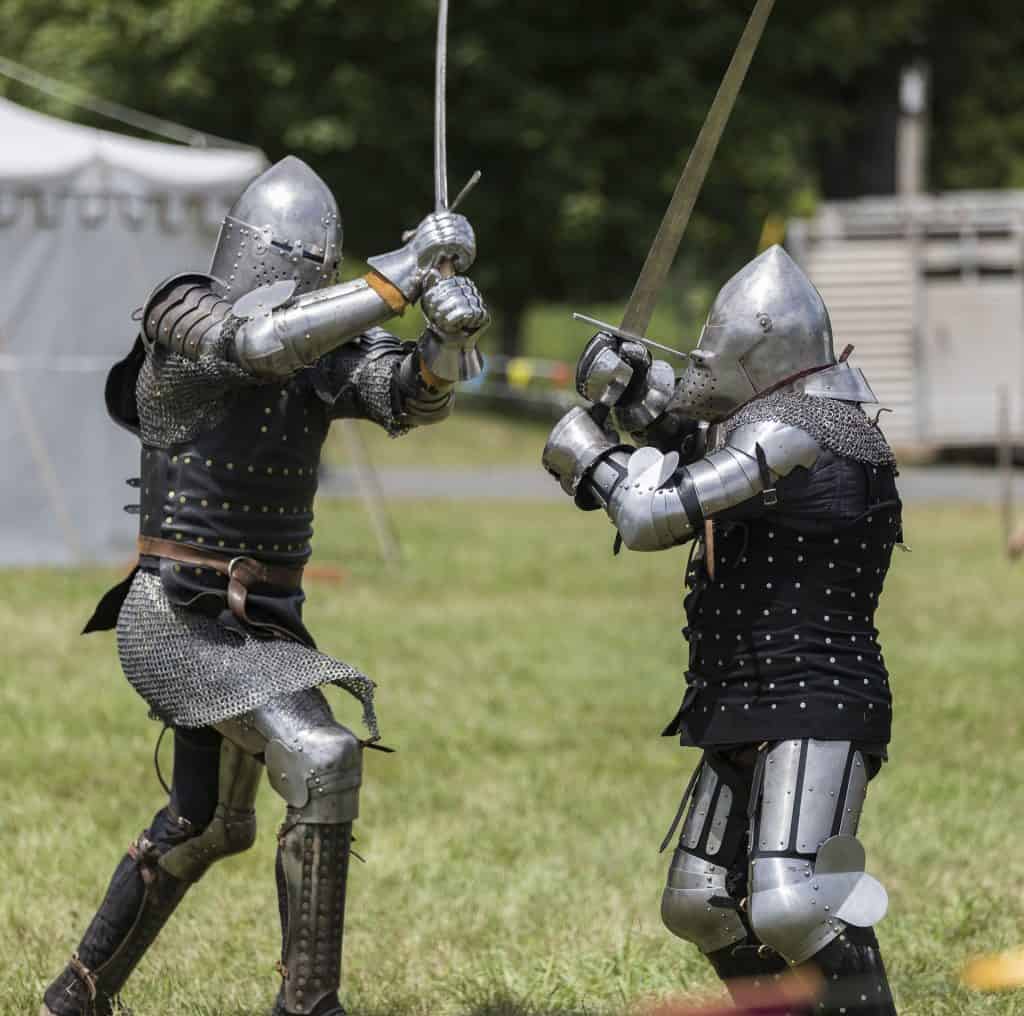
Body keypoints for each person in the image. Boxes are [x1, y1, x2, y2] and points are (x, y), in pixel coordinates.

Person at [42, 155, 489, 1016]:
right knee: (324, 757)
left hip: (266, 625)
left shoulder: (319, 353)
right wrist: (401, 273)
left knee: (208, 825)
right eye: (299, 266)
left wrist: (445, 336)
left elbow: (407, 396)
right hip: (179, 615)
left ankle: (74, 999)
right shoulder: (183, 310)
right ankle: (309, 1008)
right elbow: (253, 346)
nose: (306, 282)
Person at [543, 246, 900, 1015]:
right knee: (698, 902)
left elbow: (652, 514)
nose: (705, 363)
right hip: (745, 693)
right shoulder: (779, 424)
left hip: (816, 694)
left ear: (762, 354)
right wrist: (634, 386)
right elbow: (697, 441)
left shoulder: (802, 431)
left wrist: (588, 454)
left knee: (793, 903)